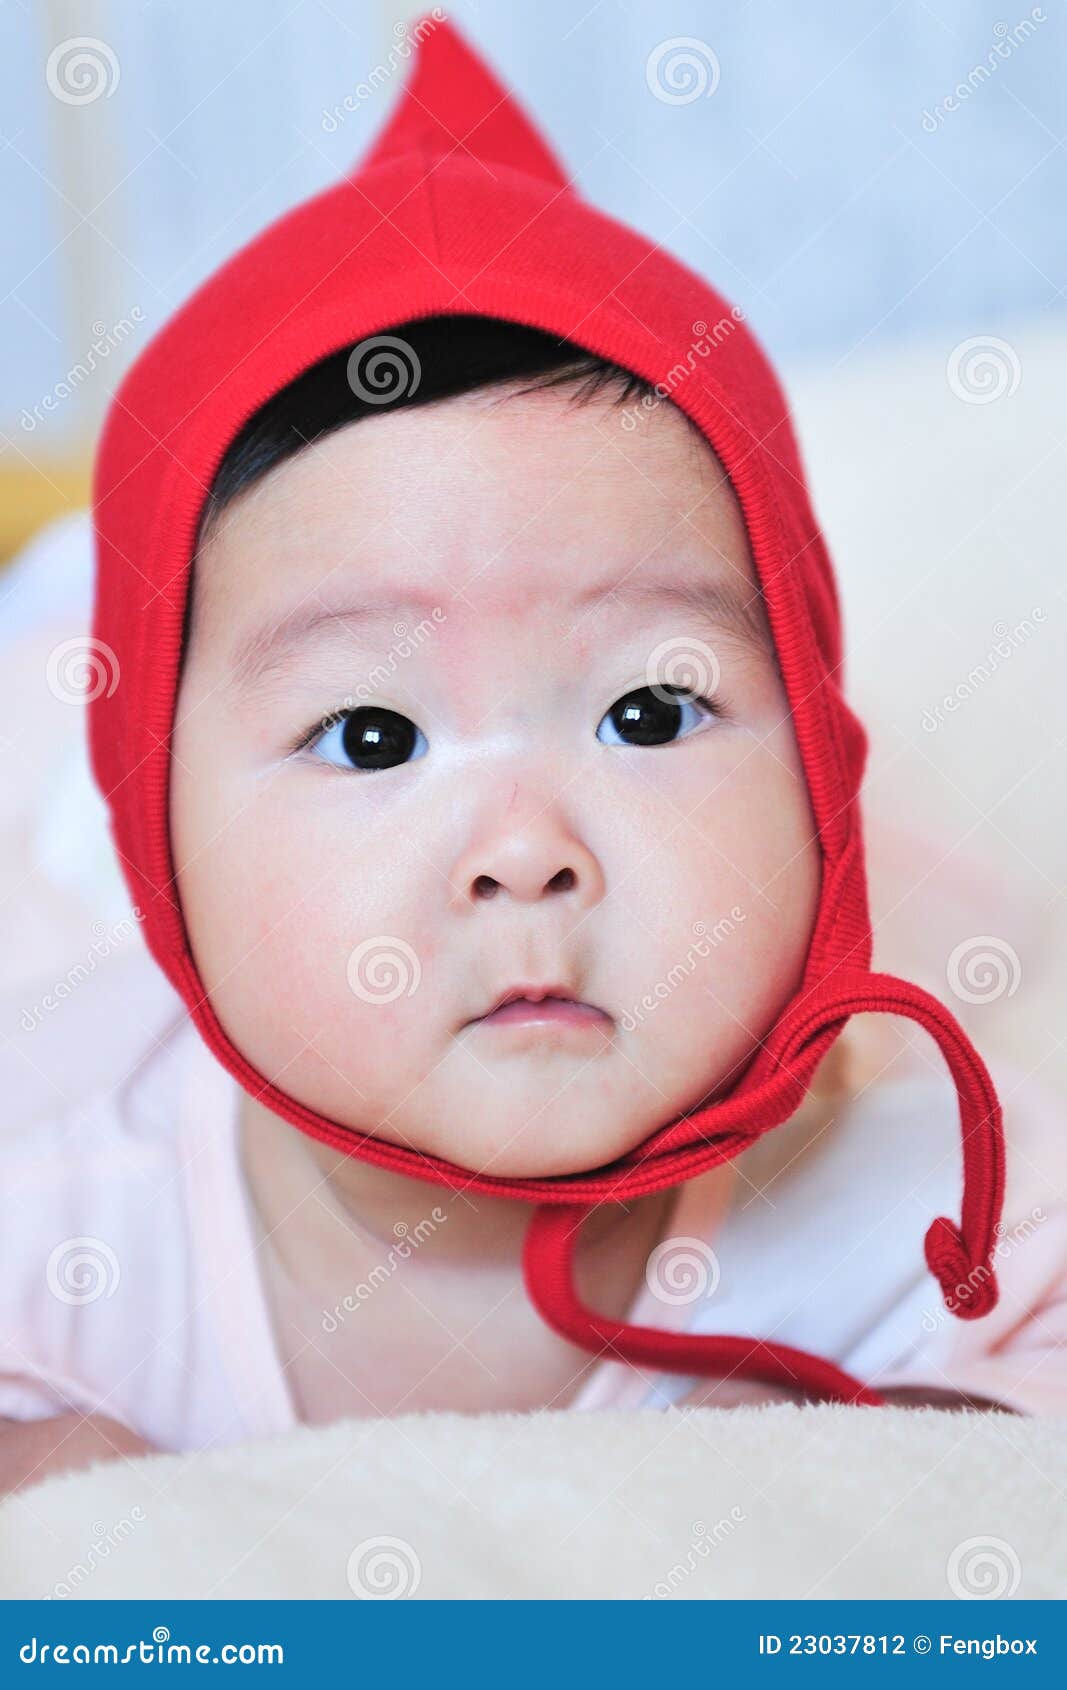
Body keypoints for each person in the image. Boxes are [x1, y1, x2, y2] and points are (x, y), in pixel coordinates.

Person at [3, 20, 1060, 1497]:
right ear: (157, 838)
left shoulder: (940, 1197)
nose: (525, 845)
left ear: (822, 767)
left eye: (649, 713)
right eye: (371, 736)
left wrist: (889, 1459)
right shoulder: (48, 1199)